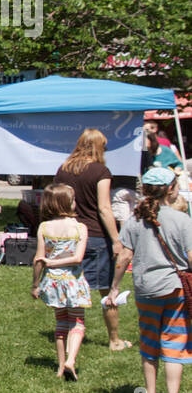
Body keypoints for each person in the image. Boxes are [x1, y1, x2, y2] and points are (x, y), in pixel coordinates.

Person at [108, 167, 192, 393]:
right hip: (176, 289)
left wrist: (114, 288)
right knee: (175, 342)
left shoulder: (135, 219)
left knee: (149, 341)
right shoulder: (182, 219)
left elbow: (124, 257)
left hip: (146, 290)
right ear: (171, 189)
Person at [54, 129, 127, 352]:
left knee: (72, 287)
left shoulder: (63, 169)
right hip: (95, 236)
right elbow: (104, 208)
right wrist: (116, 239)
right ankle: (114, 340)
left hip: (69, 235)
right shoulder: (100, 171)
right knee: (107, 291)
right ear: (97, 147)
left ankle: (70, 335)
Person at [32, 183, 91, 380]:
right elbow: (77, 258)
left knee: (60, 324)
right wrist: (55, 261)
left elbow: (38, 260)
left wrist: (35, 284)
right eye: (73, 200)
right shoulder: (80, 228)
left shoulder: (44, 227)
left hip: (53, 281)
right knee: (77, 322)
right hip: (73, 281)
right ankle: (70, 360)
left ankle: (59, 367)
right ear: (66, 203)